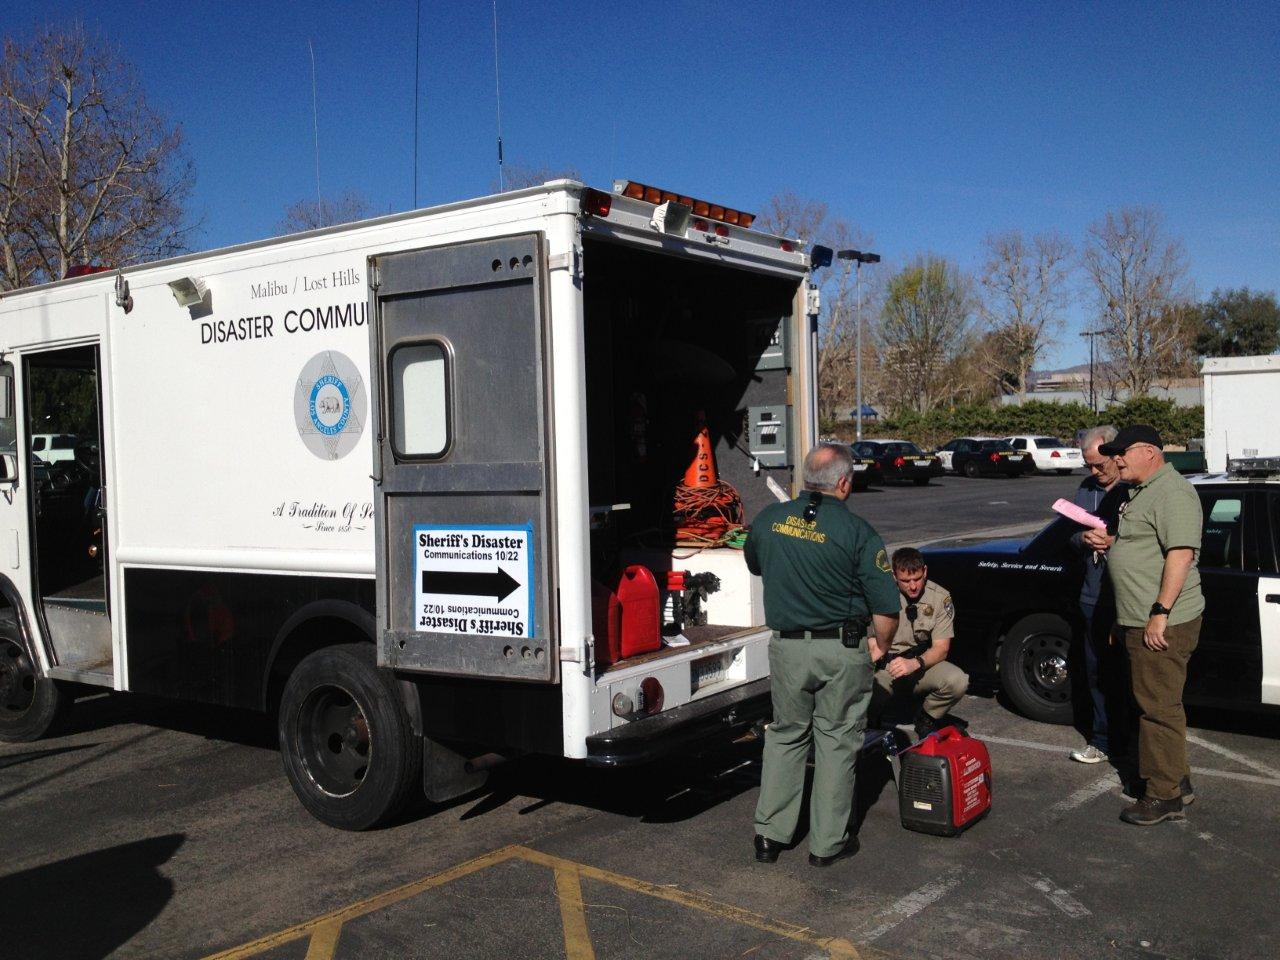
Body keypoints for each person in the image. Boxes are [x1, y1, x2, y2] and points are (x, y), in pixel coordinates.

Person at [745, 443, 900, 867]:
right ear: (844, 483)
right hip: (841, 648)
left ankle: (769, 836)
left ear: (803, 480)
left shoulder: (769, 520)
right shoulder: (857, 532)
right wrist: (881, 645)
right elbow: (886, 607)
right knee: (835, 741)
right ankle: (827, 843)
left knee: (785, 735)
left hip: (788, 648)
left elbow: (756, 564)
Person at [1087, 425, 1203, 826]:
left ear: (1150, 452)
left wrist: (1159, 612)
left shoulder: (1173, 492)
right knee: (1160, 705)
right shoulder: (1141, 492)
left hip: (1160, 623)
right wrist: (1112, 546)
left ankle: (1163, 795)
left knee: (1157, 709)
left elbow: (1181, 555)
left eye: (1122, 452)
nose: (1116, 459)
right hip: (1139, 619)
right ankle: (1175, 780)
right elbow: (1143, 549)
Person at [1068, 426, 1130, 764]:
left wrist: (1113, 543)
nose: (1094, 472)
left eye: (1098, 465)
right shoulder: (1085, 489)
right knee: (1096, 673)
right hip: (1092, 596)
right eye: (1088, 465)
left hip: (1126, 598)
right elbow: (1070, 536)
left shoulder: (1133, 489)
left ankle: (1130, 741)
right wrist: (1082, 540)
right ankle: (1102, 739)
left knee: (1128, 674)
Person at [870, 547, 968, 739]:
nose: (913, 586)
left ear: (925, 571)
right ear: (894, 576)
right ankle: (872, 723)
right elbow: (868, 641)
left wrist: (914, 663)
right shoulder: (879, 596)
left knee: (958, 681)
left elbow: (941, 649)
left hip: (919, 664)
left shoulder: (939, 597)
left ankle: (926, 718)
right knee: (867, 697)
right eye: (906, 581)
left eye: (917, 578)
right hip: (885, 667)